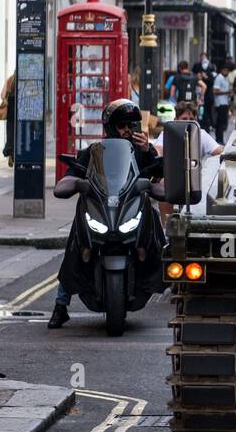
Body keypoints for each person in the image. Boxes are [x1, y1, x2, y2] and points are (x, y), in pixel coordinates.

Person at [49, 100, 160, 330]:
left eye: (132, 125)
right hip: (101, 210)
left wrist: (149, 152)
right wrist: (74, 182)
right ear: (110, 127)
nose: (129, 131)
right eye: (123, 126)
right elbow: (73, 173)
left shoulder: (140, 151)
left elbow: (159, 172)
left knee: (156, 223)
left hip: (131, 209)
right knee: (76, 242)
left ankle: (170, 277)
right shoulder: (94, 152)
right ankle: (61, 305)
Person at [153, 101, 223, 157]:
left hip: (195, 173)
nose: (188, 122)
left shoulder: (201, 134)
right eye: (184, 119)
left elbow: (218, 151)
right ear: (175, 120)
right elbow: (158, 149)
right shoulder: (168, 133)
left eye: (191, 119)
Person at [0, 72, 16, 168]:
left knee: (10, 132)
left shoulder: (10, 79)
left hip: (10, 111)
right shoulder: (25, 82)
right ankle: (16, 153)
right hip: (20, 111)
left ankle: (10, 151)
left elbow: (2, 95)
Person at [212, 63, 232, 140]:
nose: (226, 72)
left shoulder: (225, 78)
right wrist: (226, 92)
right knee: (220, 123)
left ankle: (221, 138)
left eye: (227, 71)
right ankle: (219, 139)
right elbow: (215, 91)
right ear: (221, 71)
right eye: (225, 70)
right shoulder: (219, 78)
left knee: (223, 123)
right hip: (220, 103)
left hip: (225, 102)